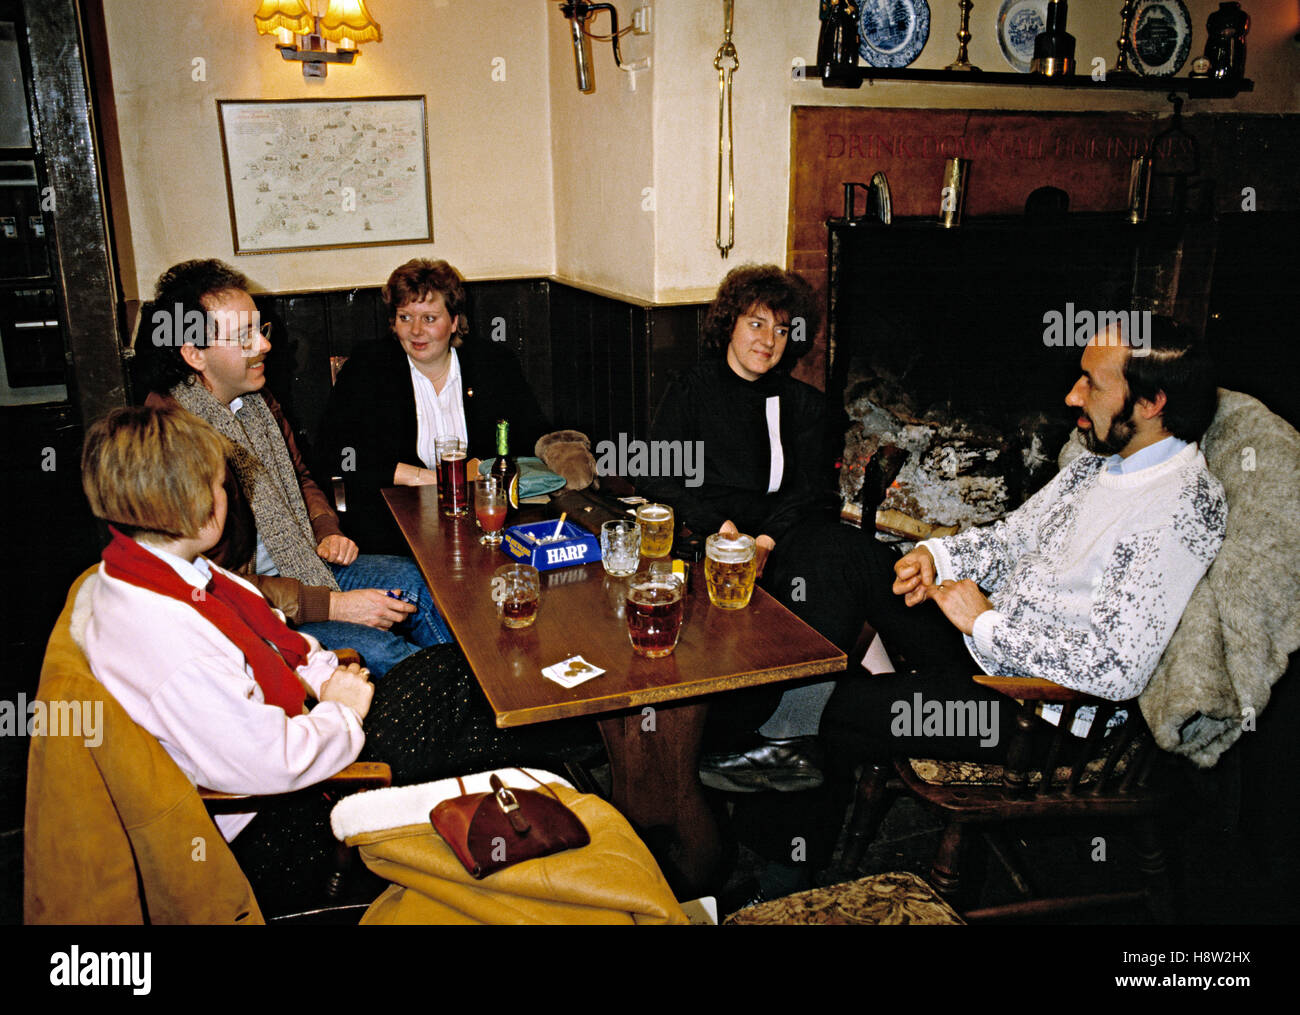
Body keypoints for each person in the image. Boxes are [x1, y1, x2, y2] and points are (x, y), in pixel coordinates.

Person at [77, 405, 592, 914]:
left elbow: (279, 637)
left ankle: (573, 755)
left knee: (459, 675)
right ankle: (574, 795)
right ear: (191, 502)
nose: (227, 498)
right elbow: (271, 765)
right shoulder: (169, 640)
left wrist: (324, 676)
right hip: (287, 822)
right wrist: (341, 710)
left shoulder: (155, 570)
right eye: (217, 485)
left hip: (307, 738)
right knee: (477, 720)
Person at [137, 259, 451, 676]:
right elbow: (207, 583)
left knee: (416, 580)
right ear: (195, 354)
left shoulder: (255, 400)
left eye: (259, 330)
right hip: (249, 609)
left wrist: (326, 529)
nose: (264, 345)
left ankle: (474, 701)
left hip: (302, 563)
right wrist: (334, 606)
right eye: (243, 337)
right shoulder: (172, 439)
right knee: (383, 651)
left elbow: (302, 478)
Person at [314, 258, 550, 555]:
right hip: (392, 528)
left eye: (429, 318)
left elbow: (527, 434)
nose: (415, 331)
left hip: (483, 519)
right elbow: (336, 454)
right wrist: (430, 480)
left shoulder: (493, 365)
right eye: (404, 317)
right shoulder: (369, 367)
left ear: (453, 322)